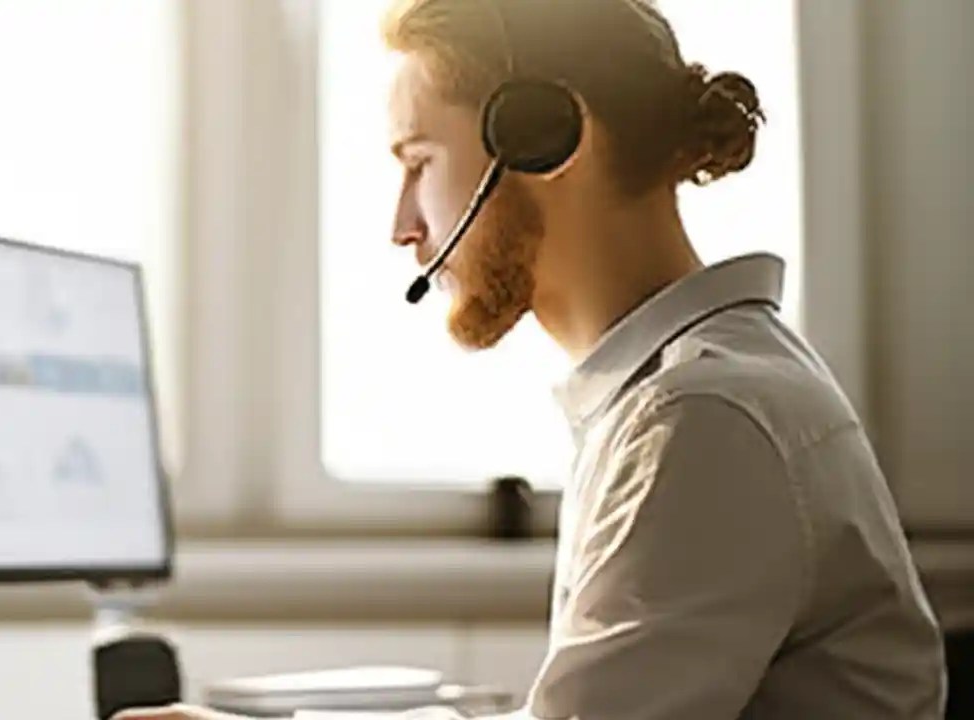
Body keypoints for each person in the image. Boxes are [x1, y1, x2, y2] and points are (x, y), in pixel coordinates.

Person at [120, 0, 947, 718]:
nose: (402, 226)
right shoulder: (684, 393)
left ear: (544, 137)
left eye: (419, 164)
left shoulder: (704, 418)